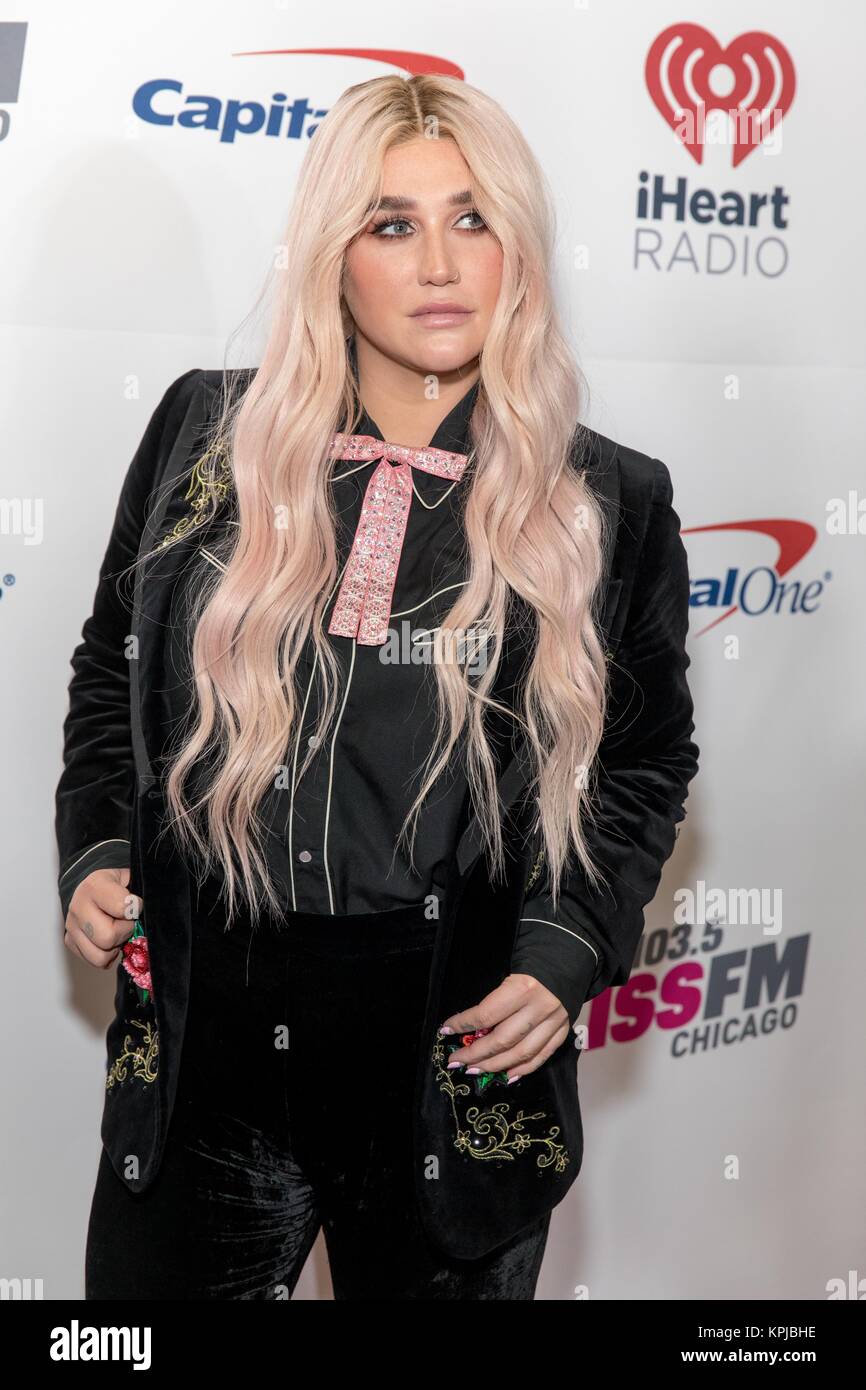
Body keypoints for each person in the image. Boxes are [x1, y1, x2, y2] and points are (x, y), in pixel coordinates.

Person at [55, 73, 699, 1300]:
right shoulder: (204, 435)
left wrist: (563, 952)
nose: (440, 262)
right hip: (210, 1039)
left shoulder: (607, 499)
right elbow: (109, 668)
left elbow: (640, 758)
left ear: (518, 248)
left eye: (473, 218)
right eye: (392, 224)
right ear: (331, 257)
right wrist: (95, 849)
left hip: (445, 1052)